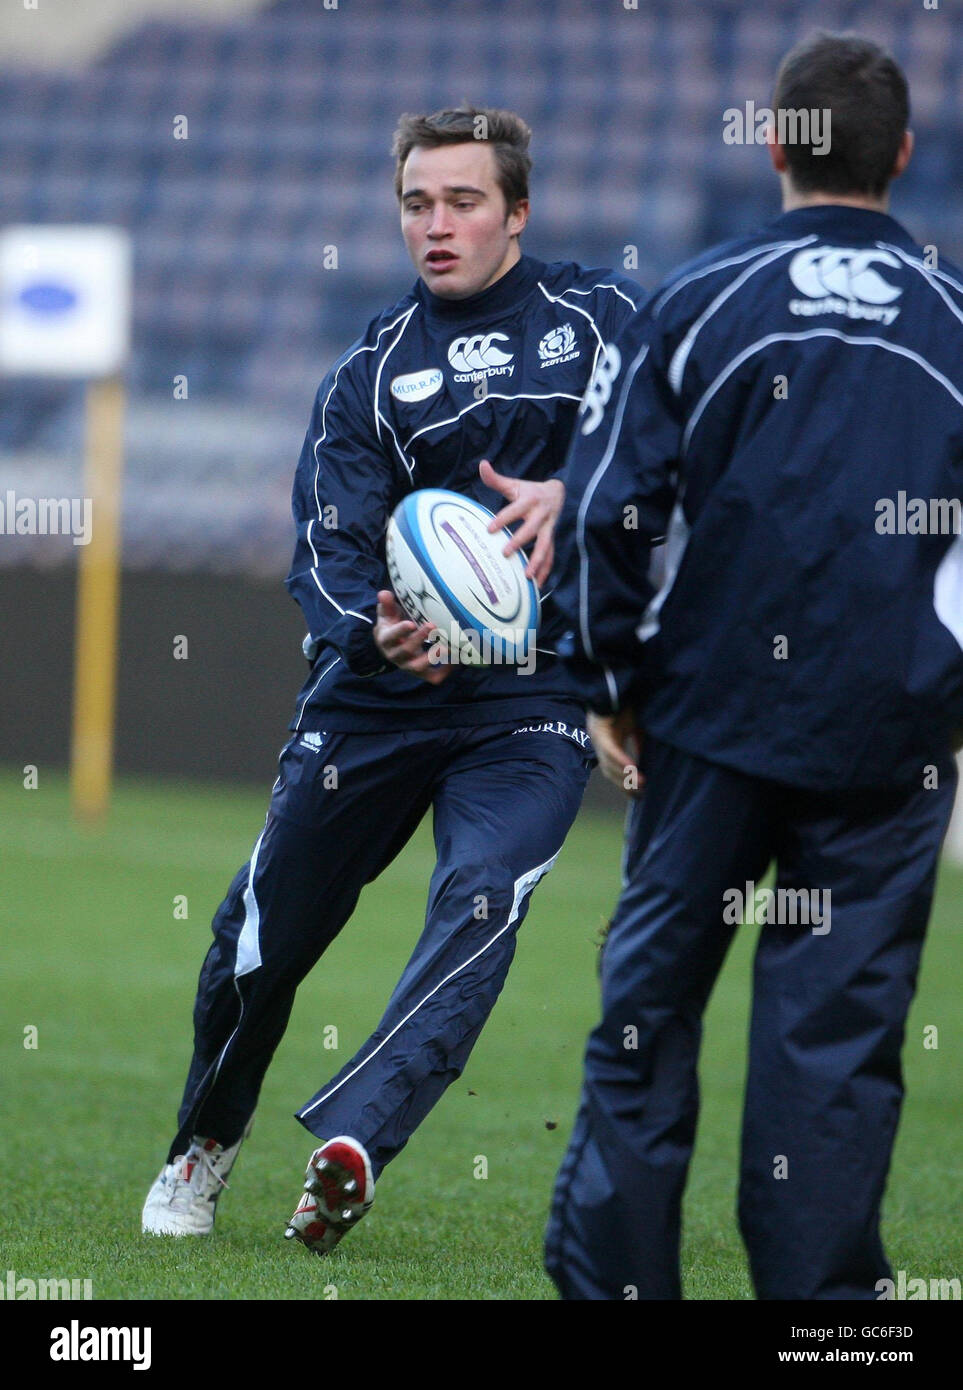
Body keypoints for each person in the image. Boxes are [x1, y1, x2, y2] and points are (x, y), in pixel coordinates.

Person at [141, 105, 643, 1253]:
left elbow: (686, 444)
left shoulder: (606, 321)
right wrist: (368, 627)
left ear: (518, 210)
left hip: (531, 695)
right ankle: (204, 1142)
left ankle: (354, 1142)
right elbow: (326, 540)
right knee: (256, 940)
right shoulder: (368, 373)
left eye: (464, 200)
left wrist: (585, 492)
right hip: (381, 691)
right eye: (417, 202)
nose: (437, 224)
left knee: (481, 900)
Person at [544, 32, 963, 1299]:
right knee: (833, 1044)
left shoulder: (698, 297)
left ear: (774, 144)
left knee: (645, 1019)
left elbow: (611, 508)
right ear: (901, 153)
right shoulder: (954, 319)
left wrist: (605, 682)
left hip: (707, 722)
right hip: (888, 742)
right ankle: (826, 1319)